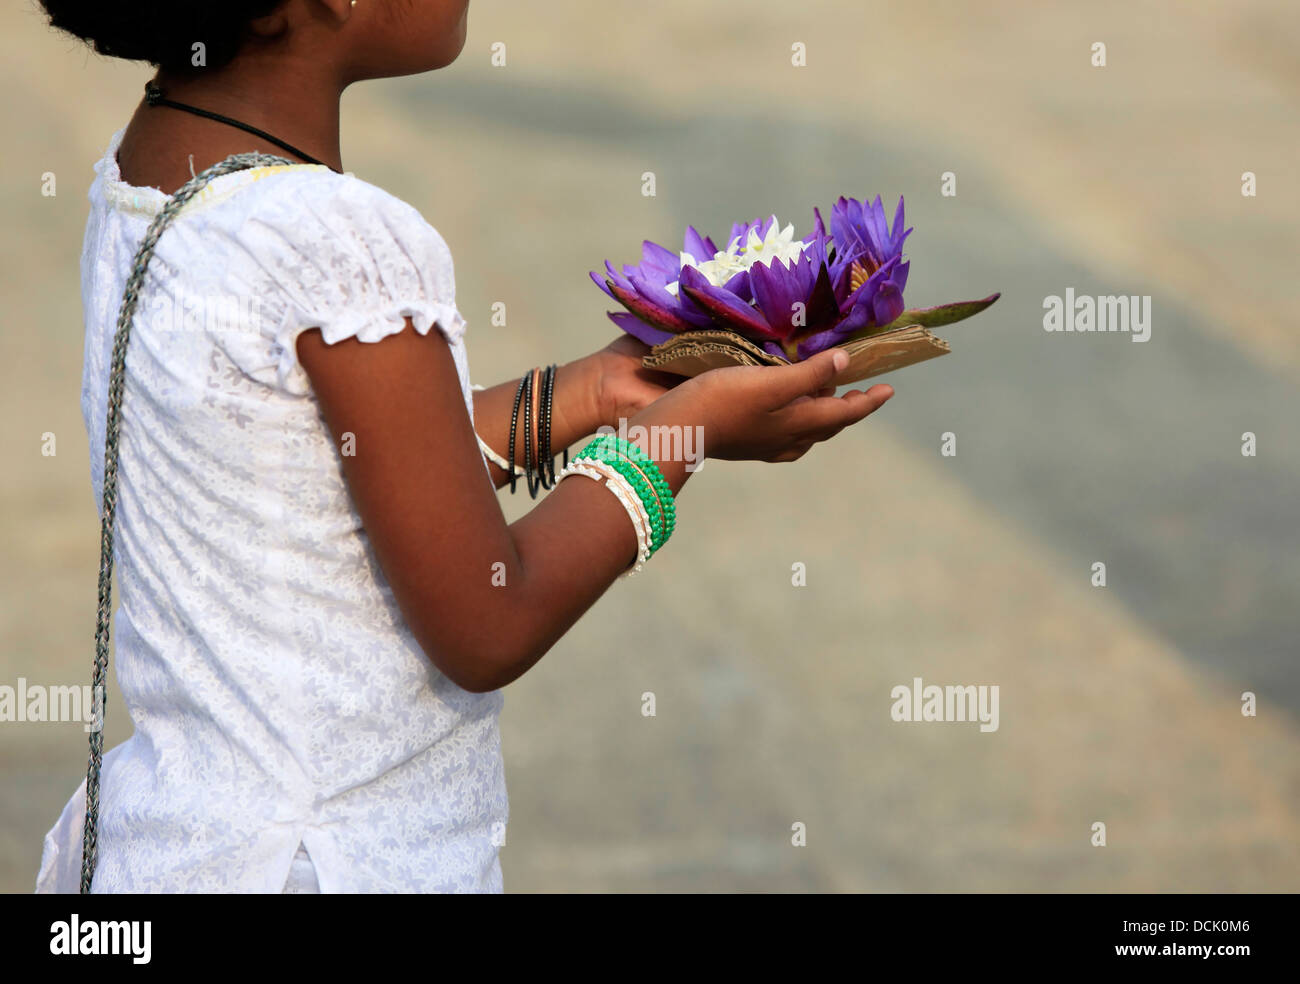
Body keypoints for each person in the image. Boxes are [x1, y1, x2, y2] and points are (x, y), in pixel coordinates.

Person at [33, 0, 895, 893]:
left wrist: (593, 392)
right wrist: (685, 434)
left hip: (177, 848)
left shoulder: (158, 164)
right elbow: (489, 623)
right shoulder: (344, 242)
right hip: (324, 865)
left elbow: (307, 476)